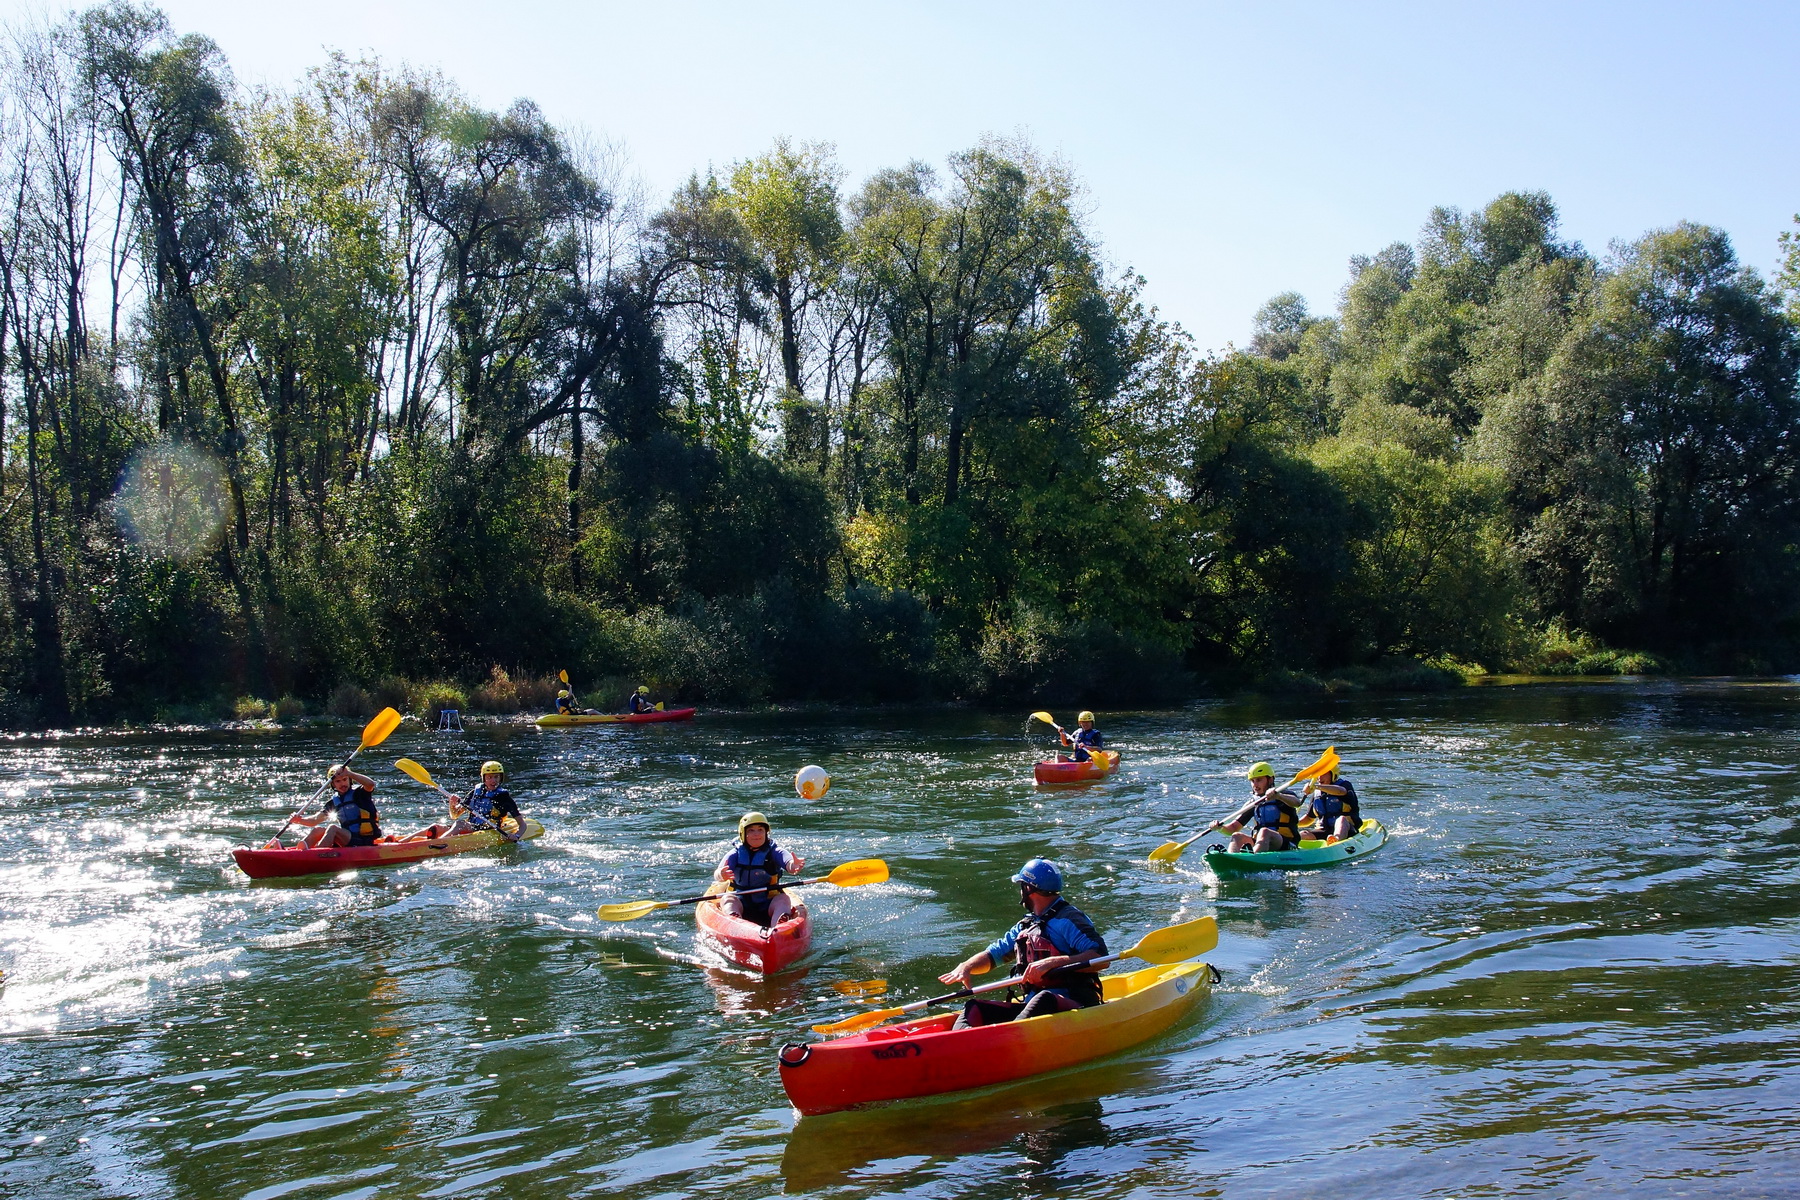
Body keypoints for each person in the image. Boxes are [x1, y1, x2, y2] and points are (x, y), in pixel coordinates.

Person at [938, 859, 1108, 1028]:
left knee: (1043, 999)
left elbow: (1101, 957)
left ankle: (1006, 1041)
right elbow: (993, 955)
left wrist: (1054, 962)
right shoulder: (1026, 926)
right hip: (1032, 1008)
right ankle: (963, 1042)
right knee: (973, 1007)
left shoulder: (1069, 920)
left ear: (1028, 888)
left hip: (1074, 1004)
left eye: (1021, 886)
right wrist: (967, 966)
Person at [714, 812, 806, 927]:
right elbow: (718, 874)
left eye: (760, 830)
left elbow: (789, 864)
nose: (756, 834)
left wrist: (794, 866)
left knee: (783, 899)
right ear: (743, 834)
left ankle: (778, 927)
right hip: (741, 901)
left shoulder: (775, 852)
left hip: (768, 902)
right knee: (727, 899)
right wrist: (721, 874)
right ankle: (735, 920)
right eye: (751, 830)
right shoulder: (735, 854)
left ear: (766, 833)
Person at [1211, 762, 1301, 853]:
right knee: (1236, 836)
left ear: (1270, 780)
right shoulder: (1253, 803)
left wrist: (1278, 796)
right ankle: (1232, 859)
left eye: (1259, 780)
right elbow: (1233, 827)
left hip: (1287, 844)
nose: (1255, 785)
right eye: (1252, 781)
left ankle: (1254, 857)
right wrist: (1220, 828)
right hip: (1261, 842)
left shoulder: (1283, 794)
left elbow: (1297, 803)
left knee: (1264, 832)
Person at [292, 765, 381, 847]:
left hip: (363, 839)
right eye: (338, 781)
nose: (342, 784)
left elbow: (371, 784)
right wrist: (299, 820)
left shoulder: (360, 794)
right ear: (333, 784)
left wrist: (349, 773)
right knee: (318, 830)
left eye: (345, 779)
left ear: (349, 780)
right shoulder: (334, 802)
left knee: (332, 828)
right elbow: (314, 820)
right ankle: (299, 852)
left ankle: (318, 854)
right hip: (347, 838)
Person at [445, 760, 524, 842]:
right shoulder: (475, 792)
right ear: (484, 778)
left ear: (501, 777)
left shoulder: (504, 797)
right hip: (472, 826)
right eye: (489, 777)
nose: (493, 781)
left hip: (488, 829)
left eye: (496, 777)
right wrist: (452, 804)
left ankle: (441, 843)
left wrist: (517, 835)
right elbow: (454, 815)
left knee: (460, 824)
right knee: (437, 827)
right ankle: (435, 842)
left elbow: (522, 825)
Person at [1300, 767, 1361, 842]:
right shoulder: (1317, 793)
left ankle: (1336, 840)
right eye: (1318, 775)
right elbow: (1309, 818)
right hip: (1324, 830)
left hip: (1348, 829)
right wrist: (1292, 823)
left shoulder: (1345, 785)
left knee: (1341, 819)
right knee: (1303, 834)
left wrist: (1315, 786)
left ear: (1333, 774)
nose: (1319, 778)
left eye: (1323, 774)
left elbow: (1340, 791)